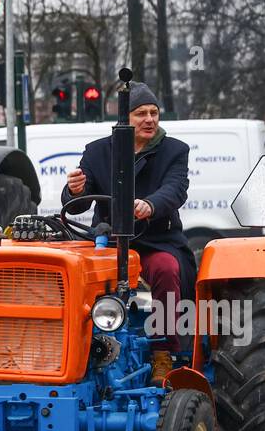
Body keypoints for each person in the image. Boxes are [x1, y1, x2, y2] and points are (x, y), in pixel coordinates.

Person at [61, 81, 195, 383]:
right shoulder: (97, 152)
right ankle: (76, 348)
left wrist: (150, 204)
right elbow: (75, 202)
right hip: (108, 241)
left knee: (167, 269)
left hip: (156, 240)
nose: (149, 119)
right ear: (126, 119)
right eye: (141, 113)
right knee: (76, 273)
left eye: (154, 113)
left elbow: (176, 189)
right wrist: (73, 190)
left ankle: (163, 352)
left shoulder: (174, 151)